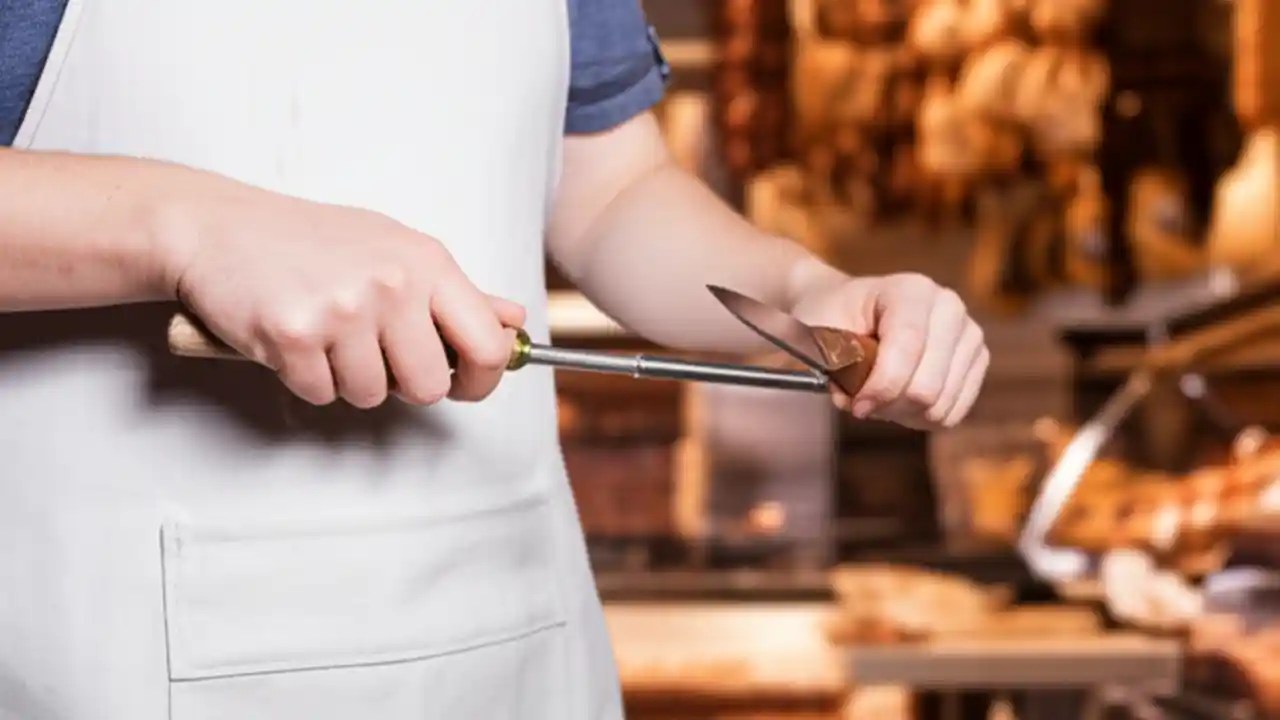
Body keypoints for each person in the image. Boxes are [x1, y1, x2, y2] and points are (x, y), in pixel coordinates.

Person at [0, 1, 989, 718]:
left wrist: (802, 292)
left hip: (514, 641)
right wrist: (187, 226)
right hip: (107, 656)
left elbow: (610, 189)